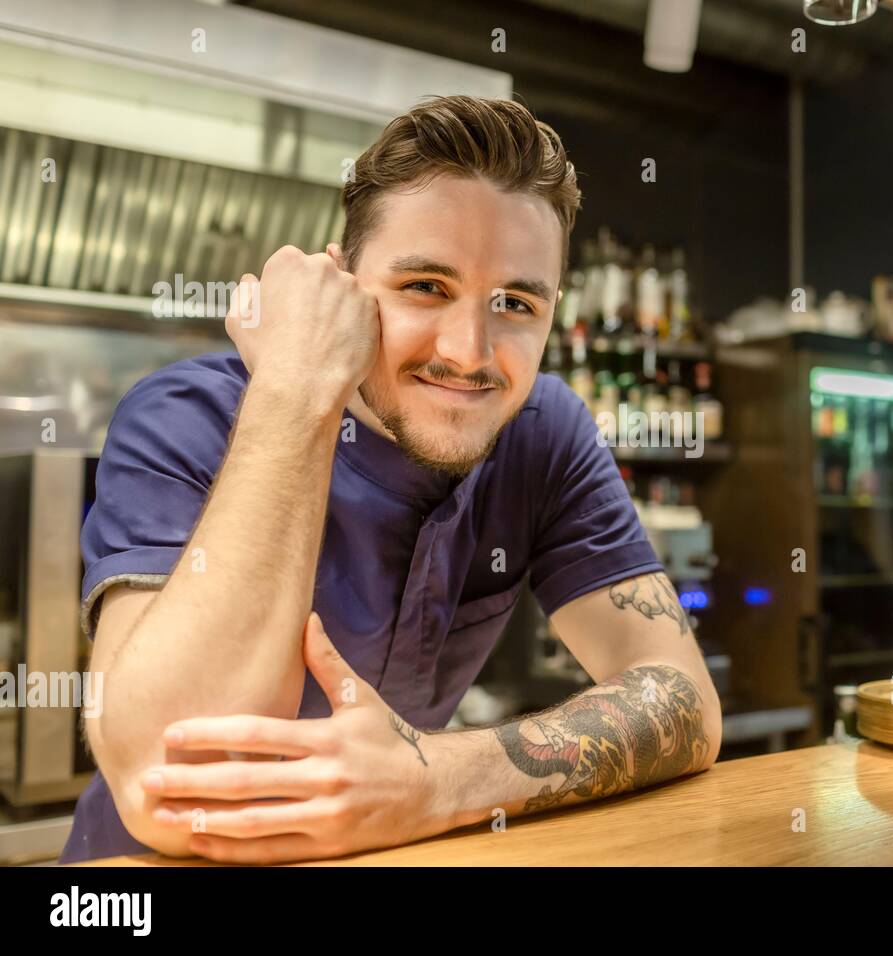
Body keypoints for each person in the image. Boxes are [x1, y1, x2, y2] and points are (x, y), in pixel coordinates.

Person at [61, 95, 721, 864]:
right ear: (339, 286)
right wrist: (298, 391)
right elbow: (167, 779)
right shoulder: (185, 415)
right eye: (425, 287)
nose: (471, 351)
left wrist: (437, 782)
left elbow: (685, 701)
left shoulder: (545, 432)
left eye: (515, 302)